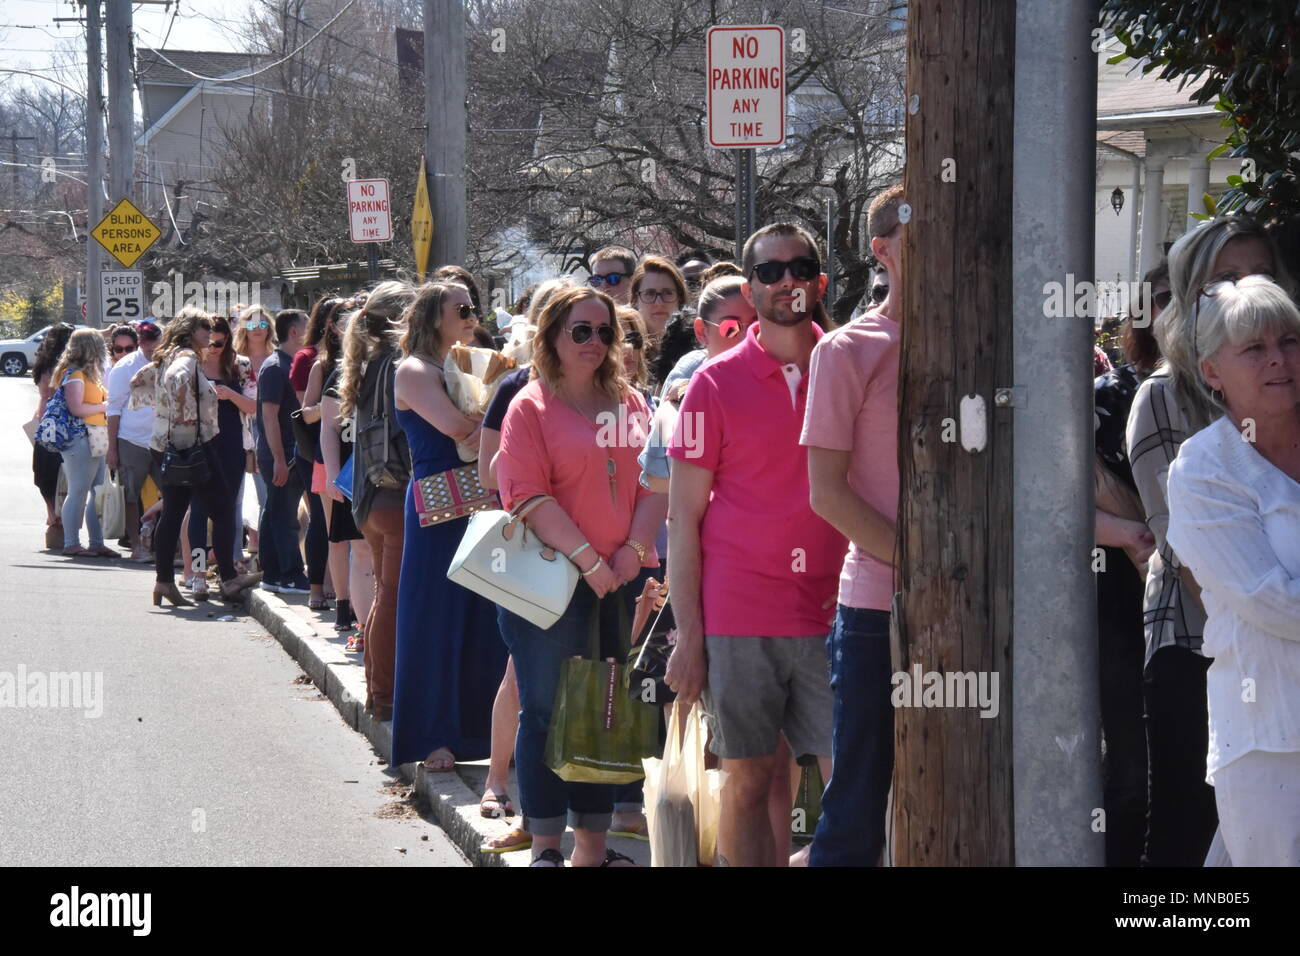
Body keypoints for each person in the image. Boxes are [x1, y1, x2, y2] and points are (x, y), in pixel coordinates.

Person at [665, 222, 845, 867]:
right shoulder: (713, 384)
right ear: (751, 287)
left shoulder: (850, 364)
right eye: (770, 272)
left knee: (850, 781)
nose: (787, 281)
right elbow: (682, 519)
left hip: (839, 613)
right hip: (741, 615)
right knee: (745, 783)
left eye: (799, 269)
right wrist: (689, 637)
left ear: (819, 282)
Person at [1126, 214, 1288, 866]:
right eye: (1224, 280)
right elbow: (1198, 560)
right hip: (1197, 647)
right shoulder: (1163, 399)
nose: (1245, 292)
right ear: (1189, 295)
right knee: (1185, 836)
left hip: (1284, 671)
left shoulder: (1287, 382)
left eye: (1260, 275)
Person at [496, 285, 666, 866]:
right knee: (544, 708)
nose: (595, 342)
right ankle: (546, 843)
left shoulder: (633, 403)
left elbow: (654, 486)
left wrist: (631, 552)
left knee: (605, 709)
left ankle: (592, 850)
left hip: (620, 580)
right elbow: (525, 494)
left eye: (605, 332)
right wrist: (590, 560)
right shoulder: (530, 404)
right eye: (581, 331)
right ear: (551, 338)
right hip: (551, 581)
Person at [1165, 275, 1300, 866]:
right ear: (1211, 371)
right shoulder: (1203, 471)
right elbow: (1273, 601)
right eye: (1254, 348)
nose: (1278, 360)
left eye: (1289, 340)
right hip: (1271, 737)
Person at [800, 185, 903, 867]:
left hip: (982, 602)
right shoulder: (847, 350)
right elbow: (827, 494)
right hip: (876, 607)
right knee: (860, 801)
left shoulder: (994, 338)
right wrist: (921, 564)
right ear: (882, 250)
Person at [390, 280, 509, 771]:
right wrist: (501, 407)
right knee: (435, 618)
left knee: (484, 619)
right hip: (437, 509)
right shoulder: (414, 369)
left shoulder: (470, 361)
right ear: (432, 316)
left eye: (472, 306)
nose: (470, 313)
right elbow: (460, 429)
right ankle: (432, 736)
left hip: (480, 500)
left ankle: (484, 734)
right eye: (459, 307)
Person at [1091, 262, 1167, 867]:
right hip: (1121, 612)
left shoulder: (1243, 397)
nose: (1177, 312)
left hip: (1211, 619)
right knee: (1133, 777)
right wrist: (1127, 531)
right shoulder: (1109, 397)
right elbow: (1052, 503)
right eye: (1162, 299)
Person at [138, 307, 260, 606]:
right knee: (217, 510)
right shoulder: (187, 357)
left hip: (177, 443)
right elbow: (176, 378)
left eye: (215, 334)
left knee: (177, 512)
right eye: (204, 329)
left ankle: (164, 581)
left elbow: (141, 380)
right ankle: (220, 577)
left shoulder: (171, 354)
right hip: (192, 445)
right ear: (190, 330)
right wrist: (183, 414)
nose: (209, 335)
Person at [338, 281, 416, 718]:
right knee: (391, 597)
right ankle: (384, 697)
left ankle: (378, 693)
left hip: (371, 495)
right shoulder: (397, 364)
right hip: (394, 492)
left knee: (387, 595)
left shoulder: (371, 363)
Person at [183, 315, 255, 599]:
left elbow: (255, 406)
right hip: (200, 444)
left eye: (220, 343)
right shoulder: (191, 366)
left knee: (226, 513)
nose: (213, 348)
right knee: (199, 512)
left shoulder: (242, 366)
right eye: (208, 342)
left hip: (231, 445)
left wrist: (228, 394)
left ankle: (227, 573)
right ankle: (198, 574)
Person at [315, 296, 369, 632]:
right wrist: (334, 475)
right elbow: (329, 427)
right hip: (350, 473)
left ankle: (372, 622)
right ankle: (355, 620)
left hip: (385, 471)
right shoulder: (339, 369)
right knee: (358, 549)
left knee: (375, 554)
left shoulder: (392, 367)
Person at [51, 329, 117, 558]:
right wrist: (104, 406)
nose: (105, 349)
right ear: (92, 348)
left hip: (95, 437)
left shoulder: (89, 375)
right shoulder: (75, 374)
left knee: (97, 492)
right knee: (78, 491)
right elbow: (76, 408)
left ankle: (96, 542)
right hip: (80, 438)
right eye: (101, 345)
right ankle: (71, 543)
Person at [257, 309, 310, 595]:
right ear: (294, 331)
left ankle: (273, 573)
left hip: (290, 451)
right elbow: (269, 417)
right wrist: (278, 458)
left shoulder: (289, 363)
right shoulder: (275, 367)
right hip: (280, 454)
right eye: (307, 325)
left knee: (275, 511)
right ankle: (290, 574)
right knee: (285, 515)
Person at [291, 298, 339, 608]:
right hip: (322, 452)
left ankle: (344, 589)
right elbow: (304, 413)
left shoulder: (371, 361)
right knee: (323, 522)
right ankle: (317, 588)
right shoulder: (321, 363)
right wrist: (331, 407)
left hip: (357, 451)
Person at [107, 318, 163, 562]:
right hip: (131, 440)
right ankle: (136, 545)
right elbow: (114, 409)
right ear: (140, 342)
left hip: (163, 439)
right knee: (131, 495)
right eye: (146, 342)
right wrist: (112, 449)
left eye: (154, 341)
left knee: (174, 493)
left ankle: (155, 533)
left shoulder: (169, 362)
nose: (150, 347)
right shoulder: (125, 367)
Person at [30, 323, 75, 549]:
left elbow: (43, 394)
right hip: (64, 420)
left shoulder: (42, 364)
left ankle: (52, 514)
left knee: (44, 472)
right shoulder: (67, 366)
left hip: (44, 419)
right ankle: (59, 515)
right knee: (64, 472)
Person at [234, 305, 276, 519]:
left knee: (266, 495)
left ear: (269, 328)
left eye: (262, 323)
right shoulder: (233, 360)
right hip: (237, 427)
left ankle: (263, 549)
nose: (257, 328)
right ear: (244, 328)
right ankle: (235, 552)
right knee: (235, 497)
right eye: (251, 324)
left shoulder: (277, 358)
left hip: (268, 428)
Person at [629, 255, 688, 343]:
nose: (659, 302)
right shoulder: (624, 351)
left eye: (667, 293)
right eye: (650, 293)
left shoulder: (699, 347)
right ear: (635, 300)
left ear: (680, 298)